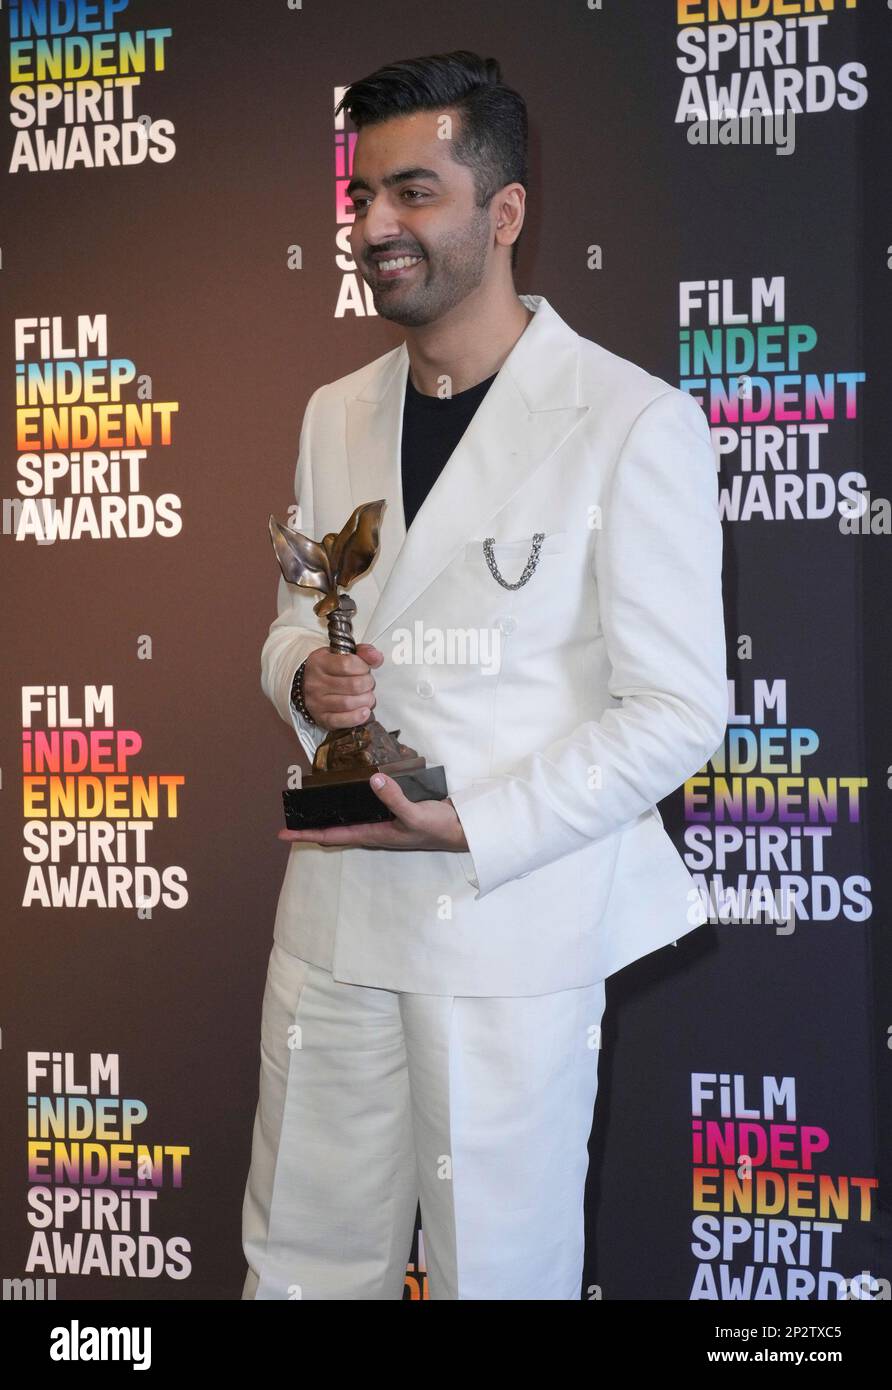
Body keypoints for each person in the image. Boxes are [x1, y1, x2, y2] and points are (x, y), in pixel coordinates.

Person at [241, 50, 727, 1301]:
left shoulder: (629, 420)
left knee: (495, 1277)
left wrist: (476, 820)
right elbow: (295, 624)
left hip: (507, 925)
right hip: (336, 916)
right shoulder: (334, 410)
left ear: (504, 213)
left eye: (415, 192)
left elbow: (678, 708)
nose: (375, 226)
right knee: (299, 1267)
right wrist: (308, 683)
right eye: (362, 196)